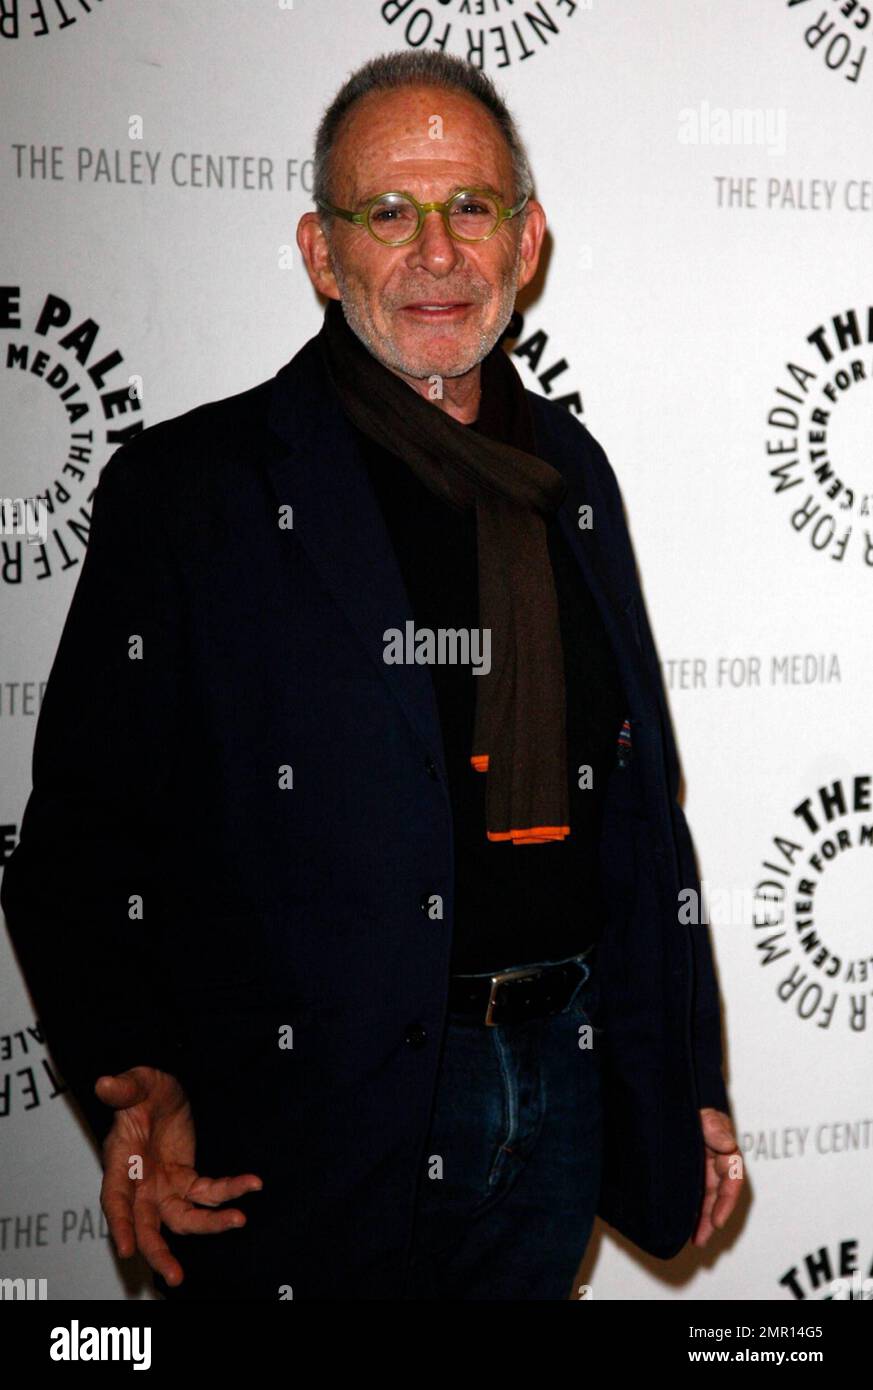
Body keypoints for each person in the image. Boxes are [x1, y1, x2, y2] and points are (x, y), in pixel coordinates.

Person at [1, 50, 742, 1301]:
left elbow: (638, 815)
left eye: (471, 207)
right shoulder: (199, 493)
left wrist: (684, 1081)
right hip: (316, 1116)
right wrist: (146, 1075)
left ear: (528, 238)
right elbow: (82, 835)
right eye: (387, 212)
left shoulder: (574, 475)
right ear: (320, 251)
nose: (437, 251)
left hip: (557, 1081)